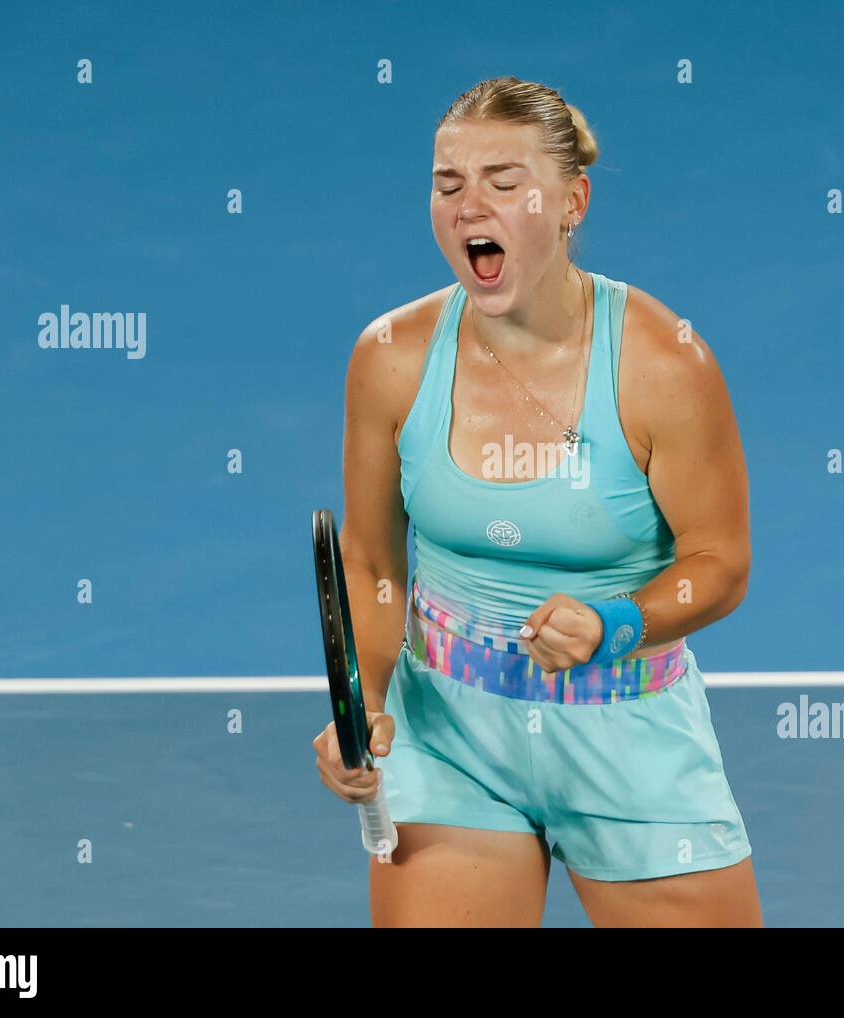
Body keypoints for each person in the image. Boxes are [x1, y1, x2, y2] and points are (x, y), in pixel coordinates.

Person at [313, 75, 762, 927]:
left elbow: (721, 564)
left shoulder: (663, 365)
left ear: (572, 202)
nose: (469, 206)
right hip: (449, 736)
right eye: (449, 186)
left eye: (504, 182)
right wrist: (364, 706)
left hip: (626, 730)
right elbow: (372, 564)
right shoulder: (390, 357)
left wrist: (610, 625)